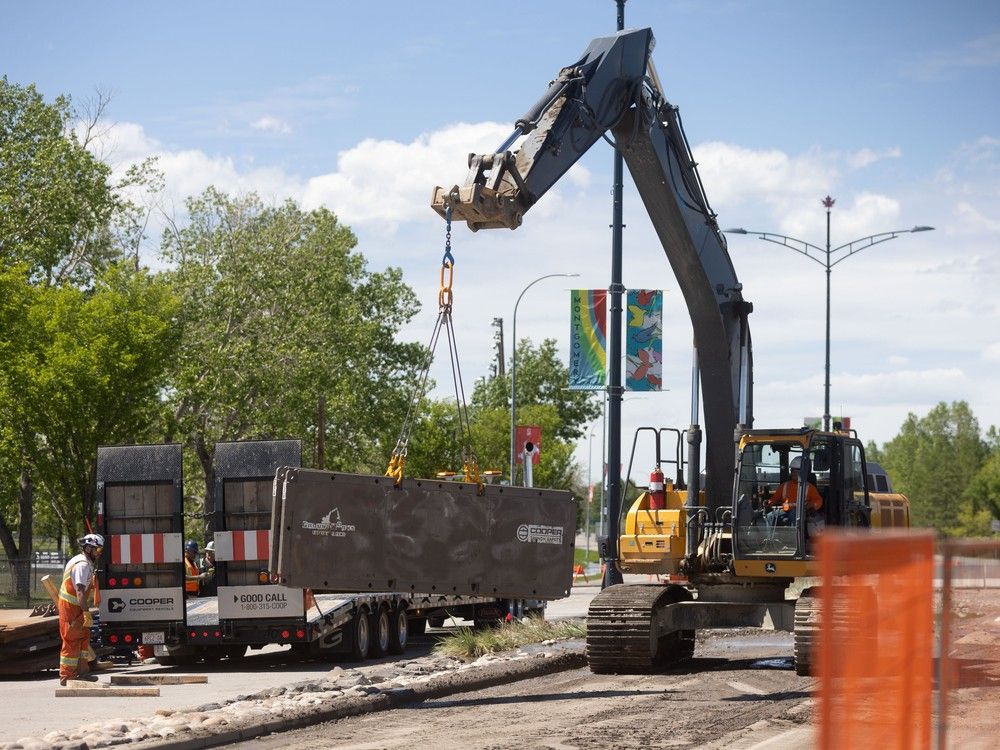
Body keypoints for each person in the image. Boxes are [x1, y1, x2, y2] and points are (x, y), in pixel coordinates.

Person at [58, 534, 103, 685]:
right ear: (89, 548)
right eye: (97, 549)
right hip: (71, 608)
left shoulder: (85, 562)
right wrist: (85, 612)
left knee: (83, 638)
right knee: (71, 640)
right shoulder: (82, 565)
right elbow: (79, 591)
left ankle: (82, 673)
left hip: (77, 607)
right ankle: (67, 677)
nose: (99, 553)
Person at [766, 464, 822, 528]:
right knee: (770, 516)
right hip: (785, 510)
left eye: (797, 471)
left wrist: (809, 505)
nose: (794, 473)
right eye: (792, 471)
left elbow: (818, 500)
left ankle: (793, 536)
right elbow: (774, 498)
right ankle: (770, 537)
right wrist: (768, 503)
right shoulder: (784, 485)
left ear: (802, 472)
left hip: (801, 511)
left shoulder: (809, 487)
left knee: (794, 515)